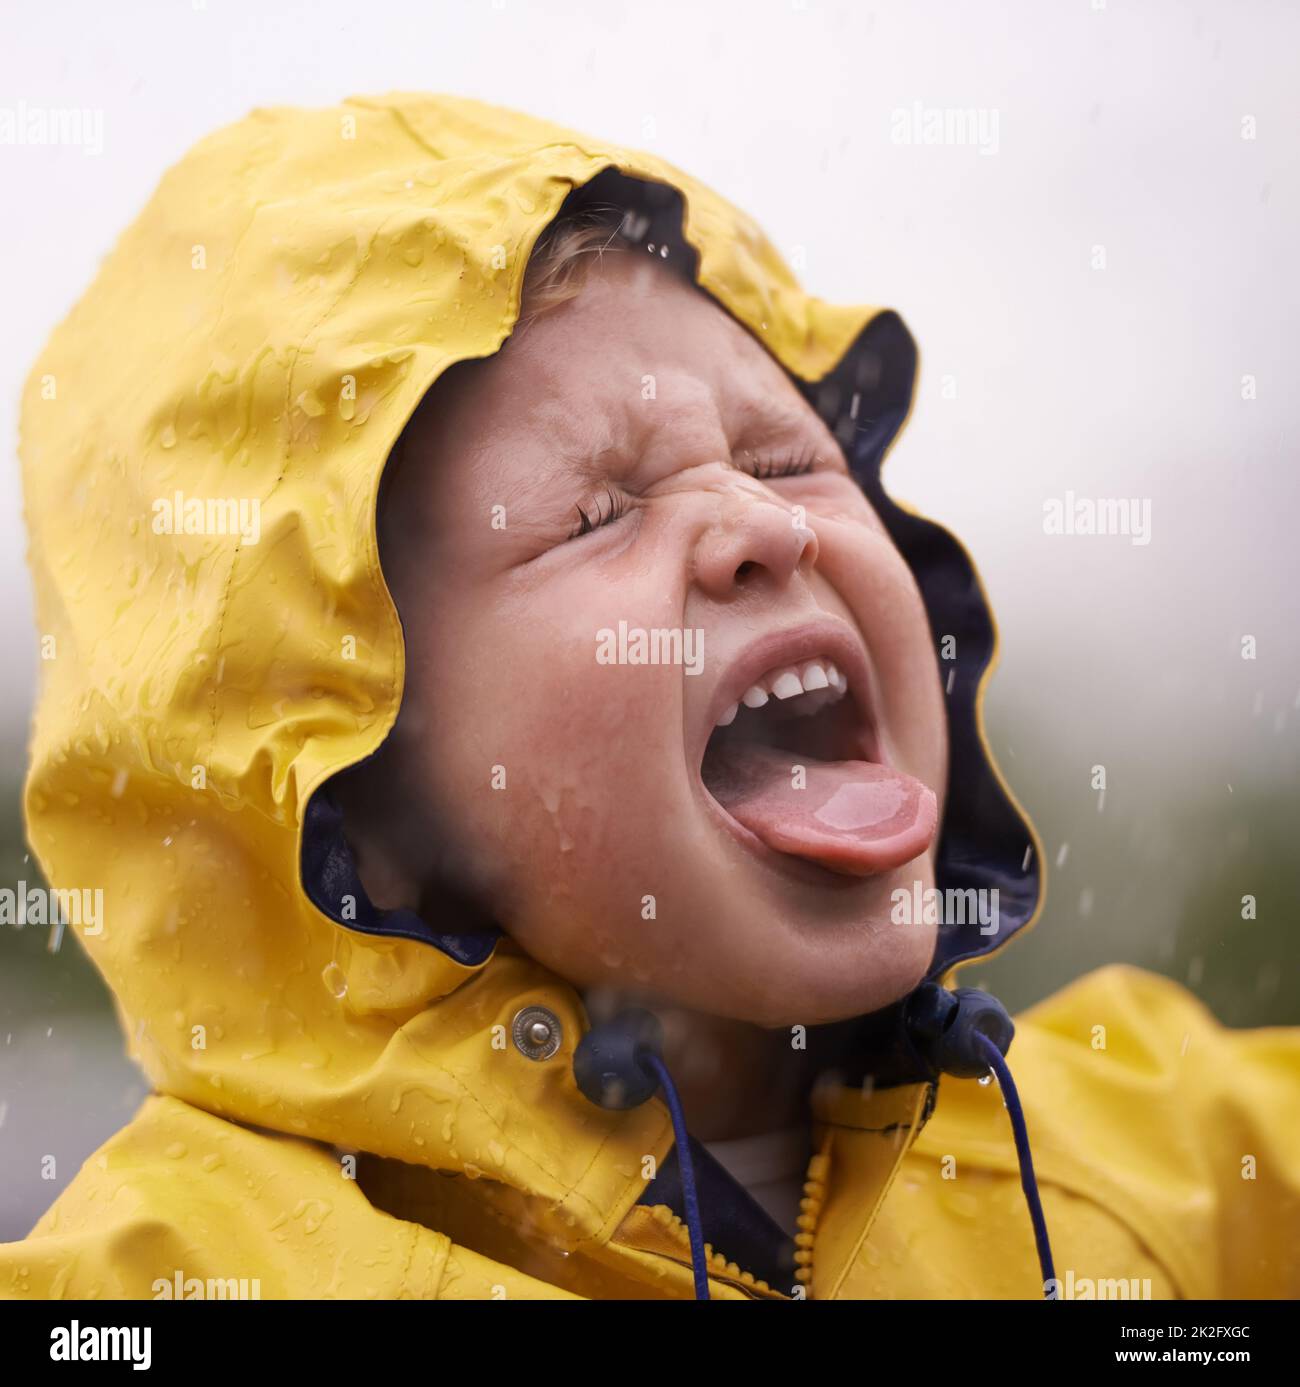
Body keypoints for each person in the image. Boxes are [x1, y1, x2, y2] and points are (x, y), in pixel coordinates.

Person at [2, 94, 1296, 1300]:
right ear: (357, 810)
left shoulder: (1161, 1178)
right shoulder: (173, 1278)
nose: (756, 523)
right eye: (594, 515)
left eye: (790, 458)